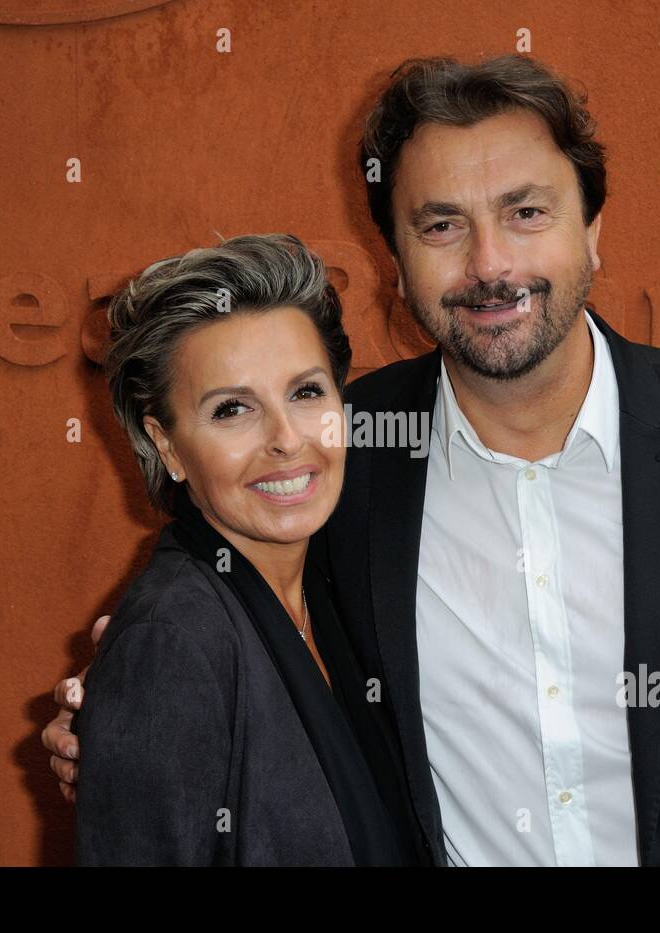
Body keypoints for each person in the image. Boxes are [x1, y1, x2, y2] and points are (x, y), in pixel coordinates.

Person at [46, 54, 660, 866]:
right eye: (441, 226)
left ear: (592, 227)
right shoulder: (334, 458)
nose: (489, 264)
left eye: (525, 213)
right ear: (394, 260)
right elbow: (219, 623)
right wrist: (124, 723)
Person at [72, 233, 424, 865]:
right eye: (233, 409)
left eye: (307, 392)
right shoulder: (173, 640)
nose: (287, 439)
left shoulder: (333, 584)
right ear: (168, 446)